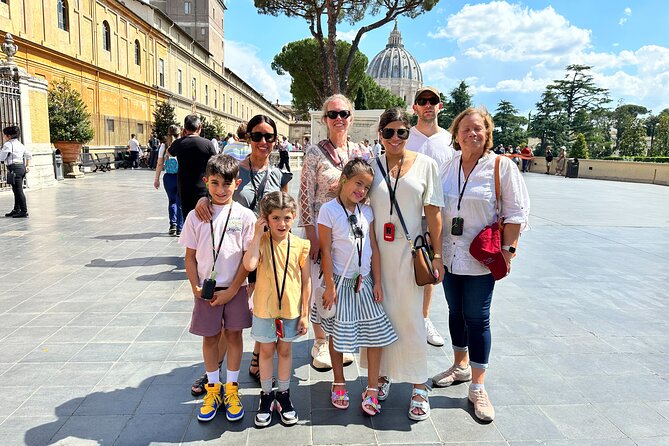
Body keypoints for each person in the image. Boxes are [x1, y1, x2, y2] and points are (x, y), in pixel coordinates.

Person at [432, 107, 529, 422]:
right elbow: (435, 210)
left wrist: (508, 251)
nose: (472, 134)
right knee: (455, 312)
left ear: (487, 133)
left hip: (481, 258)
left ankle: (478, 385)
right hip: (450, 255)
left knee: (477, 317)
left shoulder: (501, 167)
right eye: (465, 129)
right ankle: (459, 365)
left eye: (478, 128)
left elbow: (516, 213)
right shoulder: (447, 167)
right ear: (456, 134)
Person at [192, 114, 291, 395]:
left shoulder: (280, 175)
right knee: (227, 319)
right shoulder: (236, 169)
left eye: (269, 136)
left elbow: (285, 210)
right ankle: (213, 370)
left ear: (275, 140)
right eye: (257, 136)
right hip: (236, 252)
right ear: (248, 137)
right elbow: (217, 191)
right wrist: (203, 199)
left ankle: (257, 357)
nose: (263, 141)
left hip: (267, 251)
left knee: (264, 307)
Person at [368, 107, 444, 421]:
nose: (395, 138)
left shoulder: (426, 165)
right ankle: (382, 375)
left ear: (409, 133)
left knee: (412, 319)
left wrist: (437, 255)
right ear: (380, 134)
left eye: (402, 132)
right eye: (389, 132)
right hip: (378, 256)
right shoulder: (371, 166)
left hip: (410, 253)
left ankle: (419, 384)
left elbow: (434, 213)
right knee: (381, 318)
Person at [318, 159, 398, 416]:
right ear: (344, 179)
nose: (361, 190)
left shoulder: (367, 212)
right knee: (337, 334)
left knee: (376, 334)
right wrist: (330, 286)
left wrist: (378, 281)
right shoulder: (329, 210)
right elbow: (326, 251)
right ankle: (339, 382)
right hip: (340, 283)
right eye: (358, 183)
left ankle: (372, 387)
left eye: (366, 187)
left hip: (365, 283)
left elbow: (373, 247)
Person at [180, 154, 256, 423]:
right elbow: (190, 256)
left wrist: (234, 289)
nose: (221, 190)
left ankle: (231, 388)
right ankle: (213, 389)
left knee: (234, 336)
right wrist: (194, 286)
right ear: (206, 182)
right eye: (215, 183)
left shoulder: (245, 216)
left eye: (226, 184)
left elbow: (247, 259)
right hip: (206, 289)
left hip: (235, 288)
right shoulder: (196, 216)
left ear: (237, 183)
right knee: (210, 338)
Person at [299, 94, 369, 370]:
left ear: (351, 117)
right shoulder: (315, 153)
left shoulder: (360, 152)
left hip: (350, 231)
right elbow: (305, 195)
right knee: (320, 284)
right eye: (332, 114)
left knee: (343, 282)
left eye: (343, 114)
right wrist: (311, 236)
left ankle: (338, 339)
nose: (338, 119)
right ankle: (320, 340)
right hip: (321, 229)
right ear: (325, 119)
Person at [242, 191, 311, 428]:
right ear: (266, 219)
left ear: (294, 217)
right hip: (264, 309)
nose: (282, 224)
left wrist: (305, 313)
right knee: (266, 352)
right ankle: (266, 395)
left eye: (287, 218)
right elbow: (249, 264)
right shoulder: (261, 242)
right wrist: (256, 235)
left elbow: (306, 281)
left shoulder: (301, 245)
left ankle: (283, 394)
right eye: (275, 218)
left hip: (290, 310)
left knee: (285, 351)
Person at [407, 86, 455, 348]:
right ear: (414, 107)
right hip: (407, 213)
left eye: (432, 101)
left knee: (429, 266)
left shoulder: (450, 141)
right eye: (422, 101)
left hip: (437, 214)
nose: (427, 105)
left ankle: (423, 318)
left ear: (440, 106)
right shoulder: (404, 137)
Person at [168, 114, 217, 218]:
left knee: (188, 217)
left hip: (184, 187)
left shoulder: (178, 143)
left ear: (185, 128)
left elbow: (169, 153)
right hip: (203, 186)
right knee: (204, 217)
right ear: (199, 126)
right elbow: (215, 162)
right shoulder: (207, 144)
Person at [153, 125, 183, 236]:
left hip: (168, 177)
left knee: (172, 201)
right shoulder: (182, 144)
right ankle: (180, 228)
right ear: (179, 133)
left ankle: (172, 225)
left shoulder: (163, 146)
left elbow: (160, 163)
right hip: (180, 177)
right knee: (180, 202)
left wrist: (156, 179)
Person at [1, 126, 31, 218]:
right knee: (16, 189)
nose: (3, 137)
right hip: (21, 167)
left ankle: (24, 211)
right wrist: (28, 165)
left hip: (14, 168)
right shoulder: (20, 144)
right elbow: (29, 155)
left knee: (18, 190)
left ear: (9, 136)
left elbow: (2, 157)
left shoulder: (8, 145)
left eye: (4, 135)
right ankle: (16, 209)